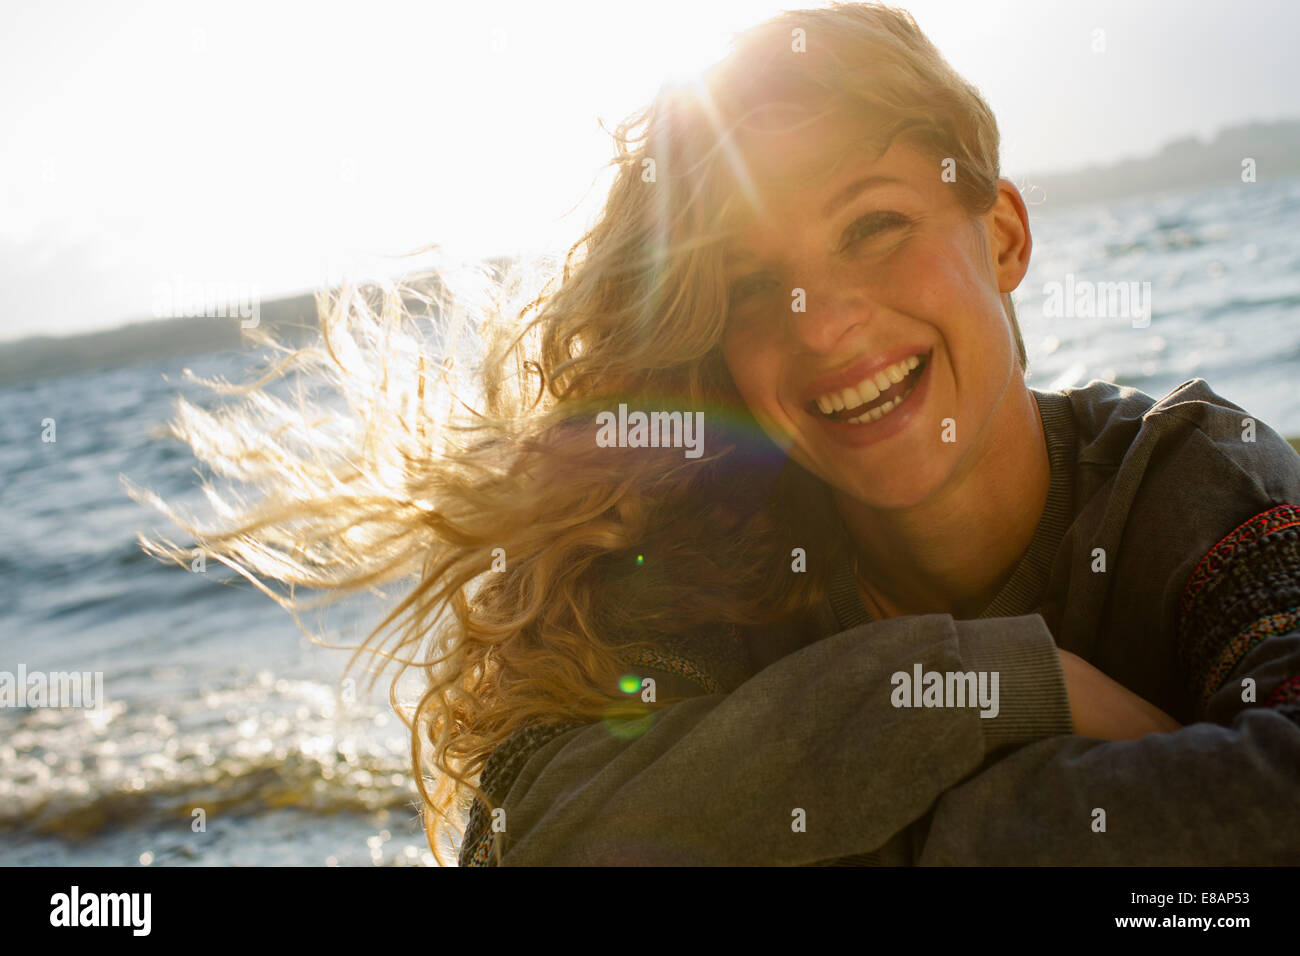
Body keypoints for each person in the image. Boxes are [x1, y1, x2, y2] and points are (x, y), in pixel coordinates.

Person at [143, 3, 1300, 866]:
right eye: (752, 288)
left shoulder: (1198, 486)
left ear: (1000, 234)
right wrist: (987, 677)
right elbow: (529, 829)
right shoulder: (722, 554)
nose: (827, 326)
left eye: (873, 225)